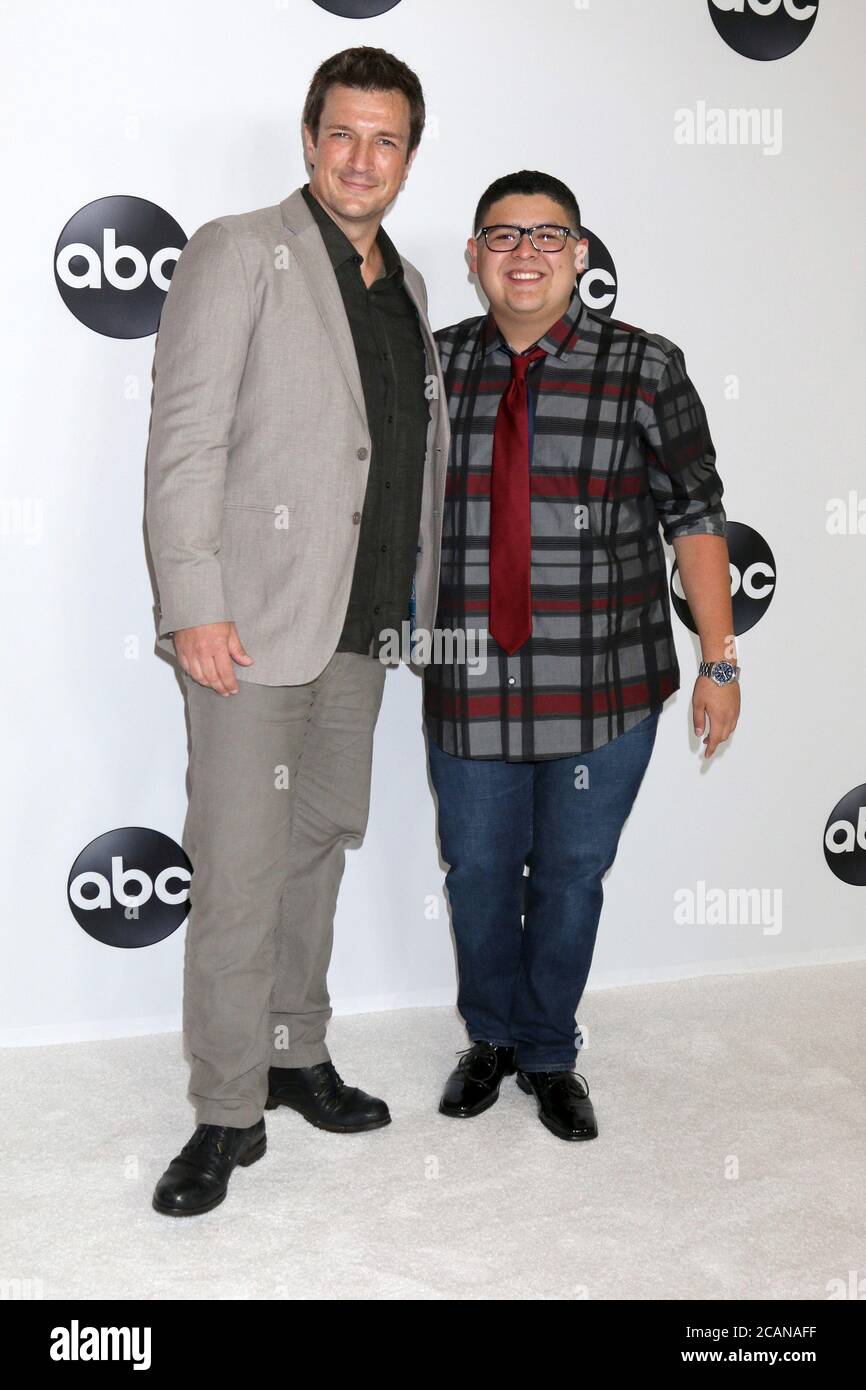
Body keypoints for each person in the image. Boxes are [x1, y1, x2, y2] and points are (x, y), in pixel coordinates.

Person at [144, 46, 448, 1215]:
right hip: (253, 628)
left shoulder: (408, 287)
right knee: (236, 869)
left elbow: (389, 459)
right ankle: (225, 1111)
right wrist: (196, 606)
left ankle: (291, 1049)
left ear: (407, 157)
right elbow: (182, 449)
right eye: (341, 134)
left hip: (360, 629)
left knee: (315, 850)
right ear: (308, 138)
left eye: (385, 140)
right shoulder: (239, 252)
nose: (360, 158)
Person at [423, 170, 739, 1142]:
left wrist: (718, 660)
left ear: (580, 255)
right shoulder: (429, 370)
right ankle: (490, 1037)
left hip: (605, 685)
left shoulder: (644, 366)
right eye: (503, 235)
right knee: (476, 873)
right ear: (474, 257)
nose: (525, 252)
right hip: (470, 680)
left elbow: (692, 514)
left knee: (569, 877)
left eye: (548, 235)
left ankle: (549, 1050)